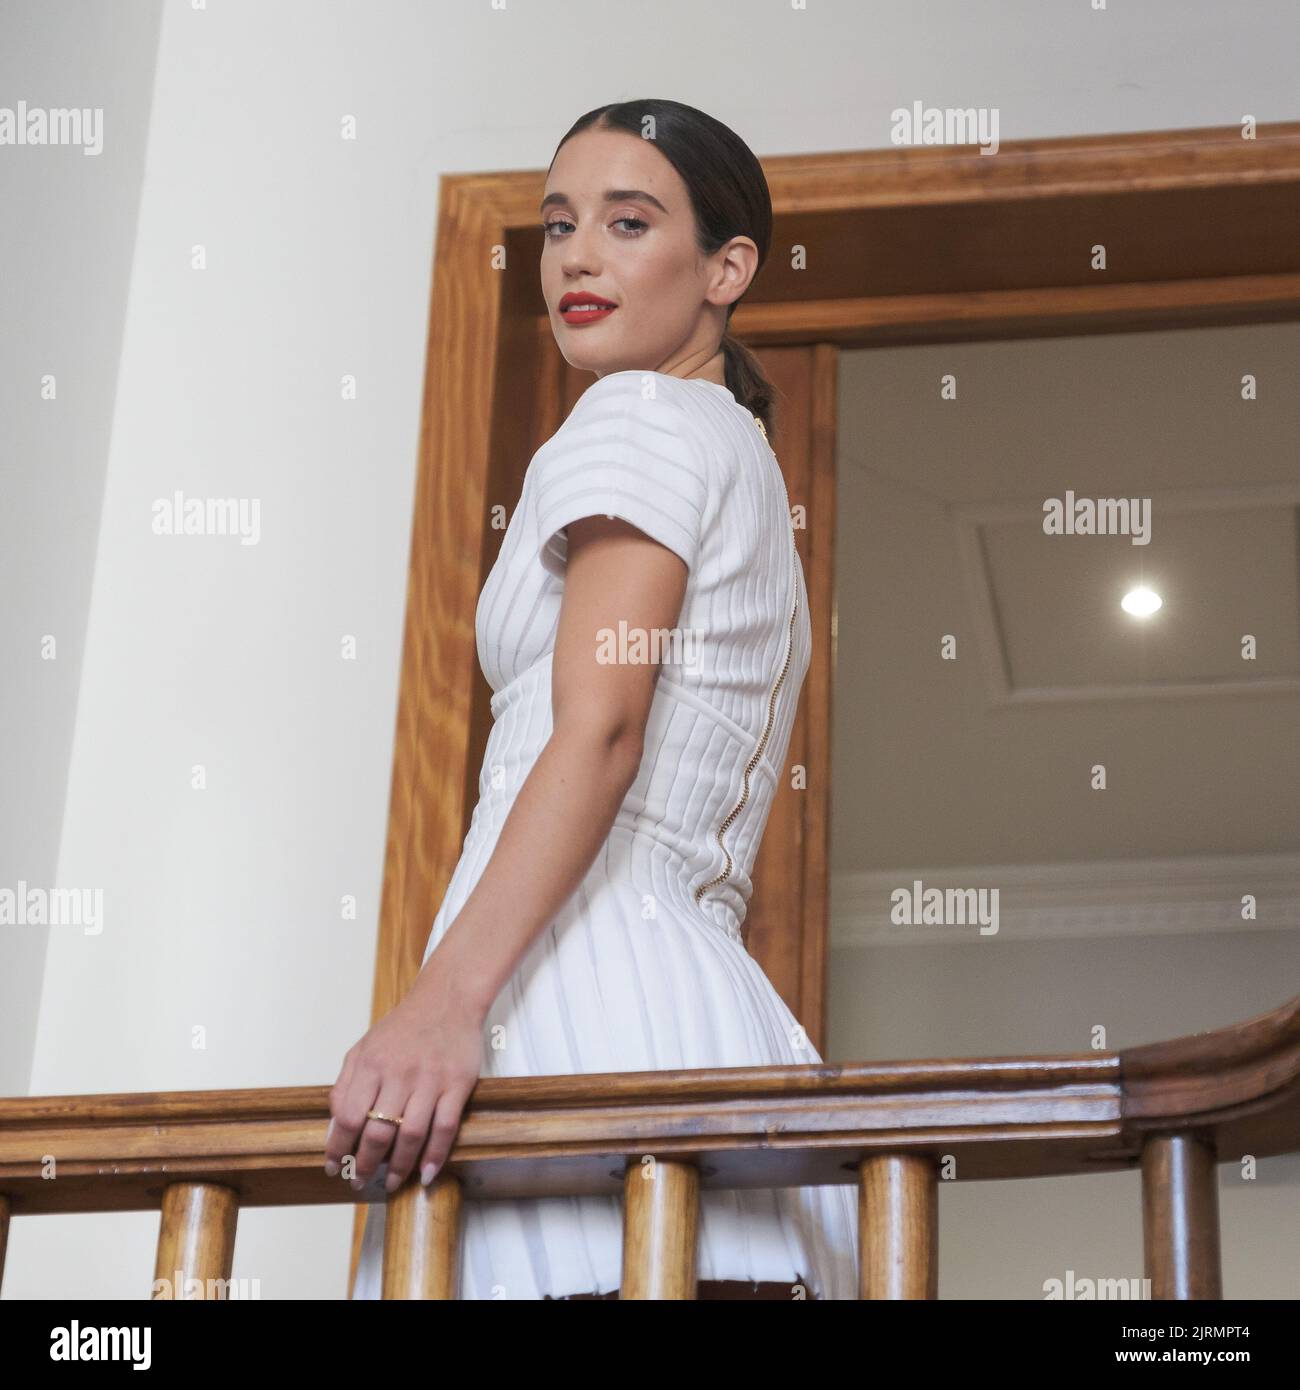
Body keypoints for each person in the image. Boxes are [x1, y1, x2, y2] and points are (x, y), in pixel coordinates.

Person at [336, 98, 859, 1300]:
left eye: (629, 222)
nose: (576, 254)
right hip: (689, 1016)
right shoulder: (731, 447)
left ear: (727, 267)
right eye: (558, 223)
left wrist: (441, 1005)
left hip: (580, 1009)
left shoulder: (635, 415)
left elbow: (602, 725)